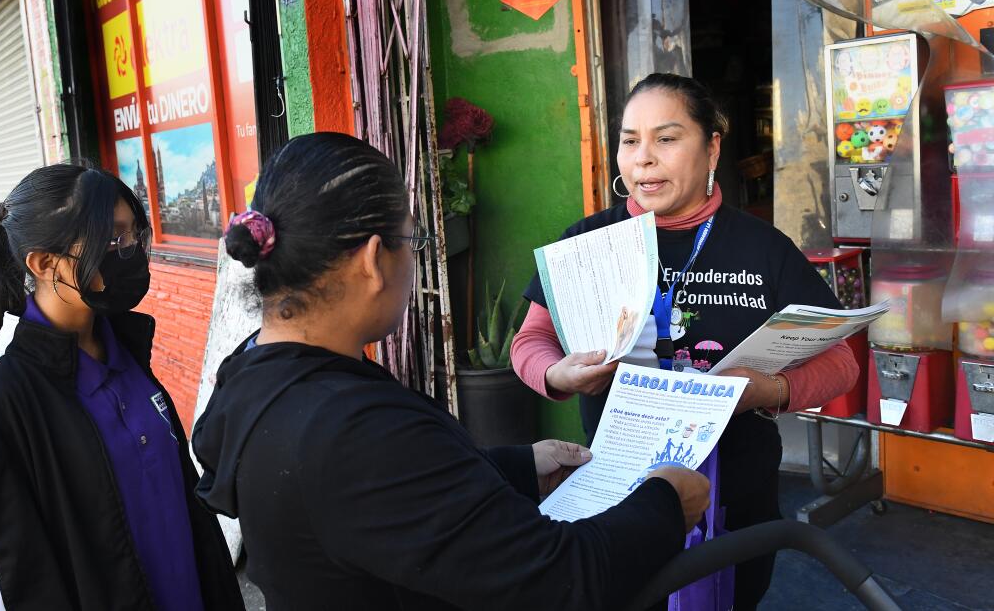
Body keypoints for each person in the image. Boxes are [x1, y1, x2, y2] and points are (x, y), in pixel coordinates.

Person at [192, 132, 711, 610]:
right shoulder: (352, 427)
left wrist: (518, 466)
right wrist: (665, 503)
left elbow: (382, 505)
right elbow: (560, 580)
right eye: (411, 243)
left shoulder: (252, 372)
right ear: (374, 260)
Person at [511, 73, 861, 610]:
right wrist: (558, 375)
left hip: (737, 499)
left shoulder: (762, 247)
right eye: (630, 140)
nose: (643, 159)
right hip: (616, 495)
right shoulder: (587, 242)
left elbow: (840, 361)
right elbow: (531, 340)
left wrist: (768, 390)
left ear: (712, 146)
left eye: (666, 138)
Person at [0, 164, 244, 610]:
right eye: (113, 239)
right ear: (44, 264)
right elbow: (4, 584)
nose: (130, 251)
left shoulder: (127, 350)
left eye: (134, 235)